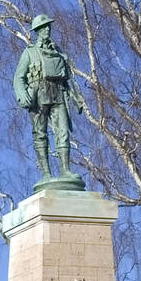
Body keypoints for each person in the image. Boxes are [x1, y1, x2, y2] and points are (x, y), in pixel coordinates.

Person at [12, 14, 87, 186]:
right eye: (43, 27)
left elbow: (67, 78)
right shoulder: (30, 52)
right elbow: (18, 77)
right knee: (40, 134)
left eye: (48, 27)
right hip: (38, 96)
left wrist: (76, 98)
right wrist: (22, 94)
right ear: (37, 31)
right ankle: (46, 173)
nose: (47, 29)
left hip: (58, 93)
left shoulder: (57, 52)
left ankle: (65, 170)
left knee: (62, 132)